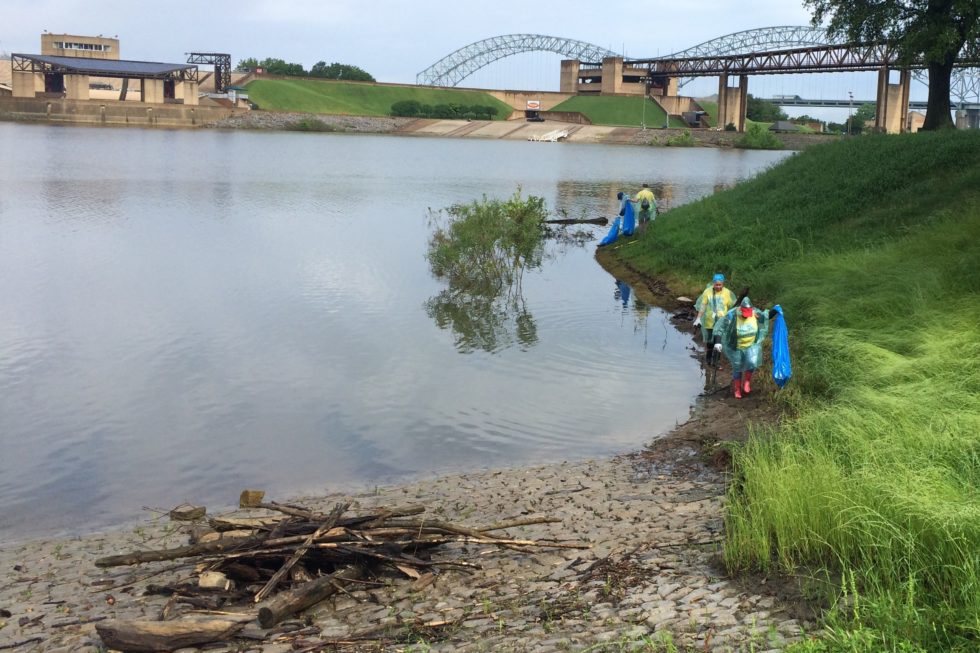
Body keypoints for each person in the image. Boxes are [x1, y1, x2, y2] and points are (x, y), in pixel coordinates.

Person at [712, 296, 770, 399]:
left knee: (752, 363)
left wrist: (776, 310)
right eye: (744, 314)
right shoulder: (732, 315)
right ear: (740, 310)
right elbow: (720, 328)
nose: (746, 316)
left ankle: (747, 382)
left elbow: (765, 317)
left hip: (751, 345)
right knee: (737, 367)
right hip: (736, 347)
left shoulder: (754, 313)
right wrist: (717, 342)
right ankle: (737, 388)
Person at [693, 274, 736, 366]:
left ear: (723, 284)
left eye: (720, 285)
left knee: (718, 343)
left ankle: (716, 362)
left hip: (721, 322)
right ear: (713, 283)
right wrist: (698, 318)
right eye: (716, 285)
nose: (718, 287)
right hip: (709, 321)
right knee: (710, 342)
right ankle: (708, 359)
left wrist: (730, 318)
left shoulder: (727, 293)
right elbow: (703, 305)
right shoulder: (707, 292)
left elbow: (731, 307)